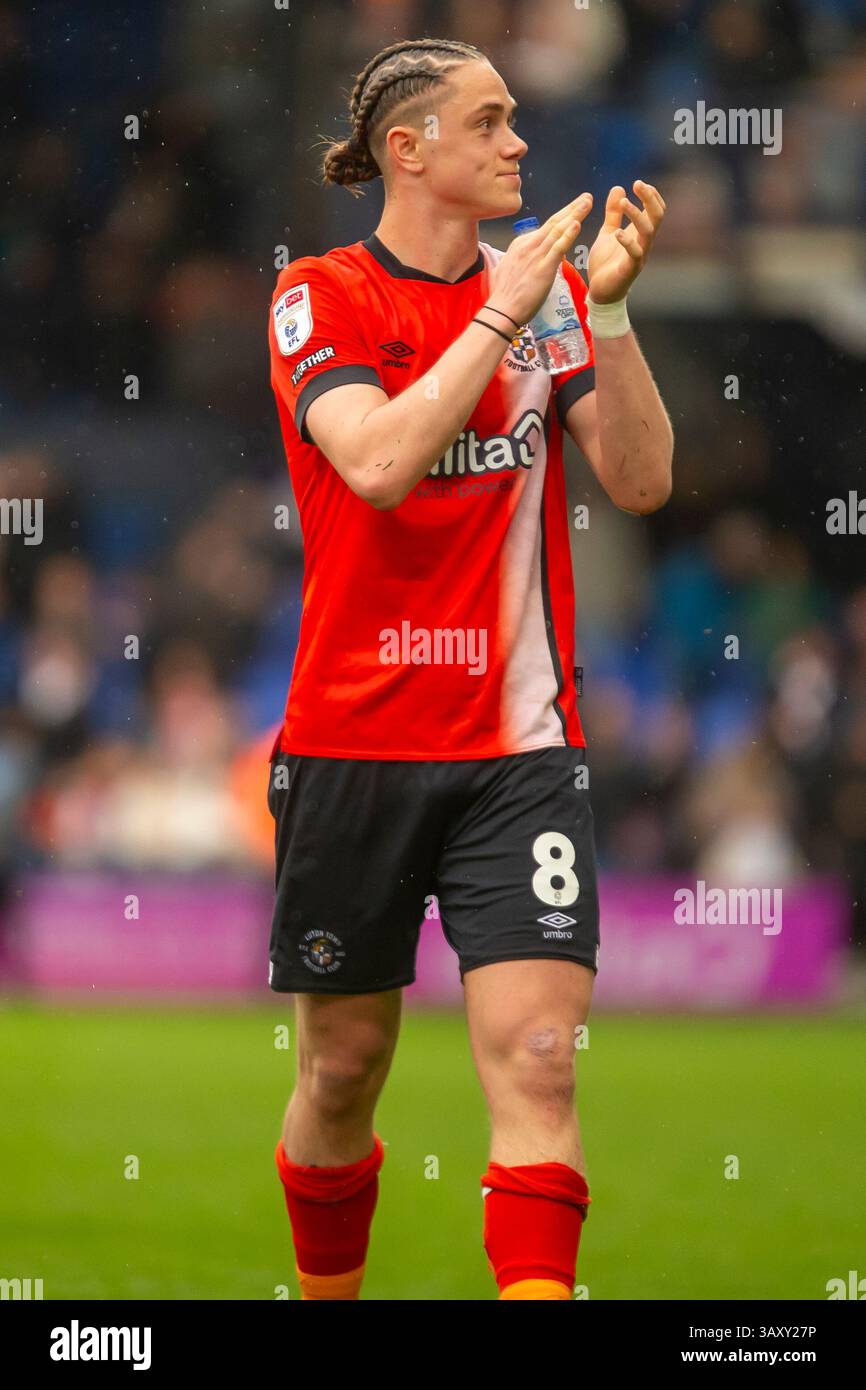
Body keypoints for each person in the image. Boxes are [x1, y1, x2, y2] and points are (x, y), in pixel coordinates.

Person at [266, 36, 672, 1301]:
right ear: (409, 149)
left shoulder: (548, 298)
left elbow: (644, 481)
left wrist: (598, 309)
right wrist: (508, 310)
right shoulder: (318, 296)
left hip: (520, 752)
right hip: (351, 743)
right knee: (341, 1071)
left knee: (540, 1062)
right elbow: (379, 465)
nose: (517, 145)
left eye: (512, 121)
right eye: (489, 123)